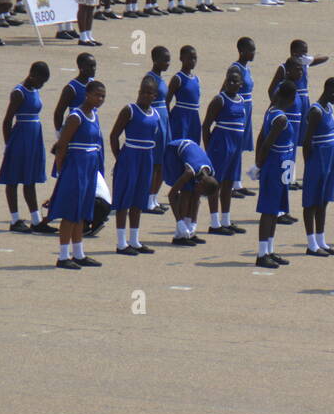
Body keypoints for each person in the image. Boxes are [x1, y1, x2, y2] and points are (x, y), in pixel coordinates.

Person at [50, 80, 106, 269]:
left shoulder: (94, 115)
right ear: (87, 94)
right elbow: (62, 146)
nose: (100, 99)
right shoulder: (76, 116)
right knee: (70, 212)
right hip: (75, 167)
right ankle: (63, 256)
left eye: (103, 96)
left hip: (89, 167)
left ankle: (79, 253)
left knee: (82, 211)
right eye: (97, 95)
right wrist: (61, 170)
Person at [109, 76, 162, 256]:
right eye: (143, 92)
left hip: (146, 157)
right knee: (124, 199)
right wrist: (120, 158)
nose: (146, 96)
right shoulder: (129, 110)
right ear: (138, 92)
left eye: (150, 93)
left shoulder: (155, 115)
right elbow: (114, 135)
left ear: (155, 96)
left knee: (139, 200)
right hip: (130, 155)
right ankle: (121, 242)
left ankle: (134, 240)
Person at [0, 60, 51, 234]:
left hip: (34, 138)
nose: (42, 85)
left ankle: (36, 220)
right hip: (20, 137)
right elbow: (7, 120)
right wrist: (9, 145)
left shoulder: (34, 89)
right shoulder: (19, 92)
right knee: (13, 179)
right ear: (32, 75)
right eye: (41, 81)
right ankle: (15, 219)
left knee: (30, 180)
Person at [252, 81, 297, 268]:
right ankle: (262, 253)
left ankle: (270, 249)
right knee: (269, 210)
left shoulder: (271, 111)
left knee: (275, 210)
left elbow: (261, 137)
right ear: (291, 99)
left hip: (279, 166)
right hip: (275, 165)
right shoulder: (280, 119)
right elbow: (266, 143)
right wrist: (259, 166)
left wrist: (258, 163)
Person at [202, 66, 249, 235]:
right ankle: (214, 223)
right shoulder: (219, 100)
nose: (231, 83)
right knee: (216, 183)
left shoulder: (241, 100)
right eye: (229, 80)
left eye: (235, 81)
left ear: (241, 84)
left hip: (235, 147)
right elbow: (206, 126)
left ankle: (226, 220)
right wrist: (208, 150)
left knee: (229, 183)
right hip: (221, 144)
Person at [301, 77, 334, 256]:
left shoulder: (329, 108)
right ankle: (311, 244)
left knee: (324, 201)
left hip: (330, 159)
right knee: (312, 201)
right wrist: (310, 164)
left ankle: (321, 240)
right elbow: (306, 141)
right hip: (317, 159)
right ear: (330, 90)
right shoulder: (316, 111)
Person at [164, 137, 220, 247]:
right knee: (186, 193)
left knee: (193, 194)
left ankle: (189, 231)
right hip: (174, 152)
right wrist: (179, 222)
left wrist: (194, 222)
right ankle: (179, 235)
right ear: (200, 183)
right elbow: (171, 195)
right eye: (201, 191)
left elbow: (197, 197)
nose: (200, 194)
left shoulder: (210, 172)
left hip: (190, 152)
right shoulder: (190, 172)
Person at [166, 45, 201, 145]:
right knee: (178, 143)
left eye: (195, 58)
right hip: (180, 117)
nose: (193, 61)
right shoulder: (178, 78)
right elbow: (167, 100)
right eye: (190, 58)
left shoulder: (196, 79)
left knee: (192, 146)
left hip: (194, 117)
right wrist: (169, 119)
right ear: (181, 58)